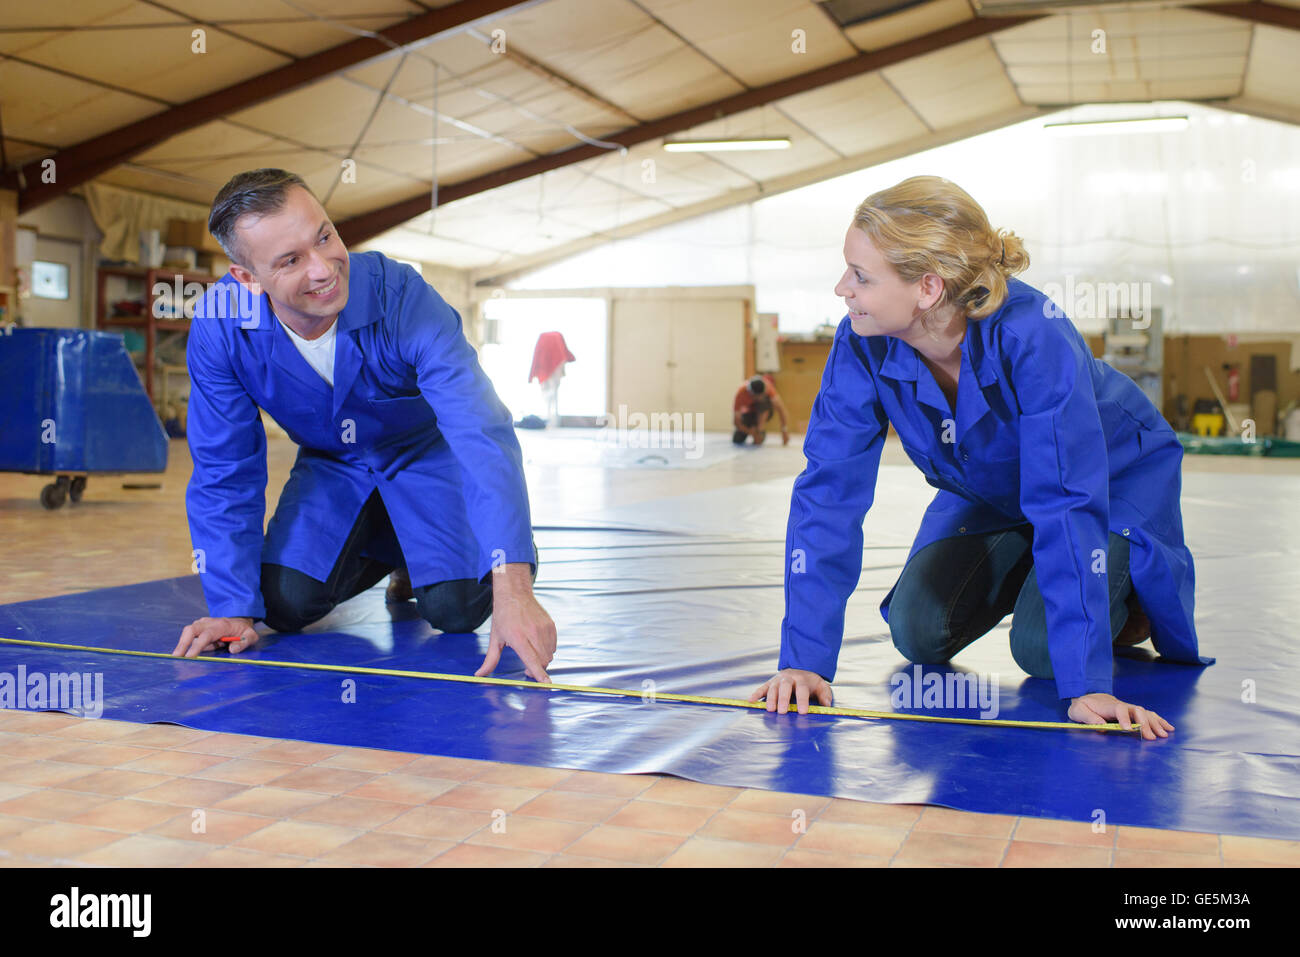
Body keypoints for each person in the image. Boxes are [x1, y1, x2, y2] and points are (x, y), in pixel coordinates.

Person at [750, 175, 1211, 739]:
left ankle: (1125, 595)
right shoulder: (861, 340)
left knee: (1044, 651)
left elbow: (1066, 496)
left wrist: (1086, 682)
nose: (841, 288)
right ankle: (1039, 573)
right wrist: (804, 658)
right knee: (917, 630)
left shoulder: (1034, 336)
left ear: (927, 288)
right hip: (995, 488)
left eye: (861, 276)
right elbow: (827, 493)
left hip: (1112, 480)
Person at [172, 168, 556, 683]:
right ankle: (400, 546)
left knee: (457, 611)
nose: (323, 269)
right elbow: (224, 468)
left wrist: (513, 585)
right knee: (282, 605)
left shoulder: (403, 298)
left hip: (426, 454)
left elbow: (480, 431)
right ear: (247, 278)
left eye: (324, 236)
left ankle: (425, 558)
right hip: (335, 465)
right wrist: (232, 607)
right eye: (290, 260)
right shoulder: (220, 325)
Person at [732, 374, 790, 446]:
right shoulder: (741, 393)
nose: (759, 398)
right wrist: (751, 432)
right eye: (757, 396)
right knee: (737, 439)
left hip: (763, 414)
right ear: (751, 393)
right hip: (748, 415)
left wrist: (784, 430)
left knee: (764, 403)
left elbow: (781, 410)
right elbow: (736, 422)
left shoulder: (768, 388)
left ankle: (760, 429)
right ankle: (756, 431)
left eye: (761, 395)